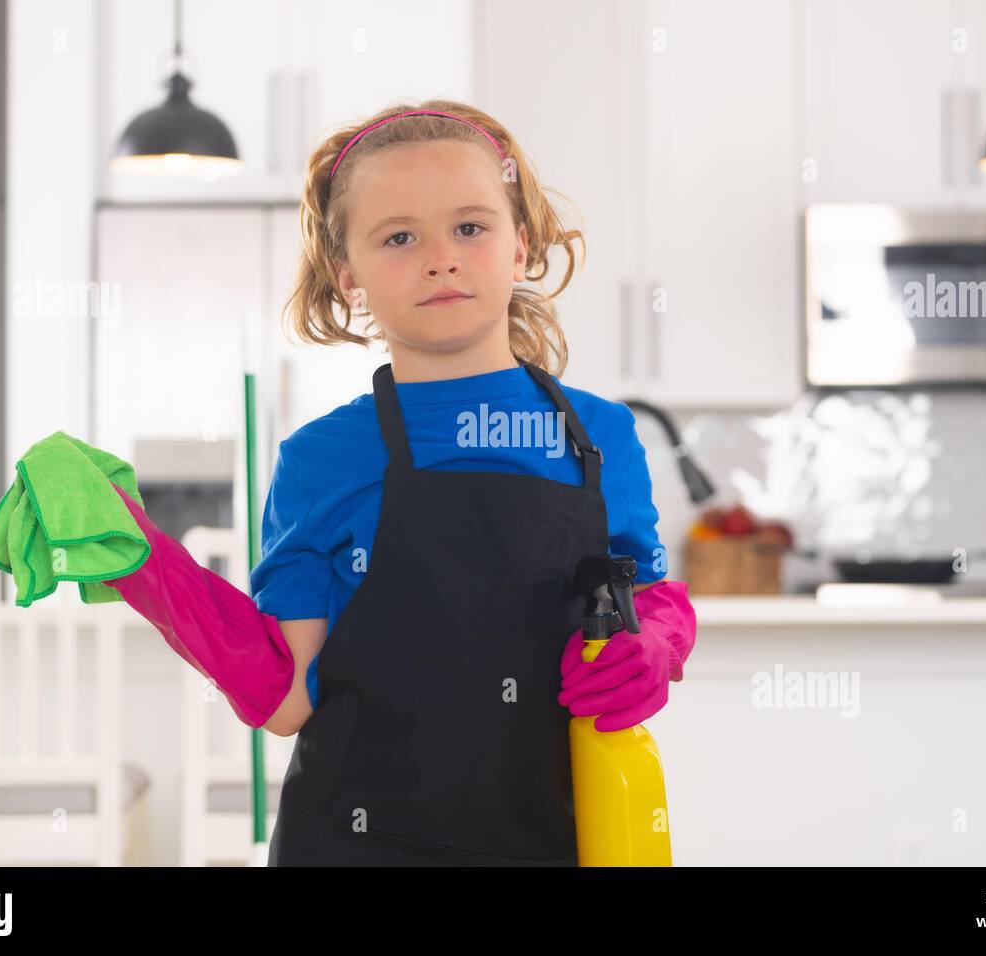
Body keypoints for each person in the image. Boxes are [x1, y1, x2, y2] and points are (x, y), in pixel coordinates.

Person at [108, 99, 696, 866]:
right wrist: (142, 561)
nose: (440, 257)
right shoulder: (322, 458)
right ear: (346, 274)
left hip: (553, 839)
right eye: (399, 237)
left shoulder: (599, 437)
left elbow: (645, 593)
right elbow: (287, 697)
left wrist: (656, 645)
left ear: (520, 246)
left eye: (470, 227)